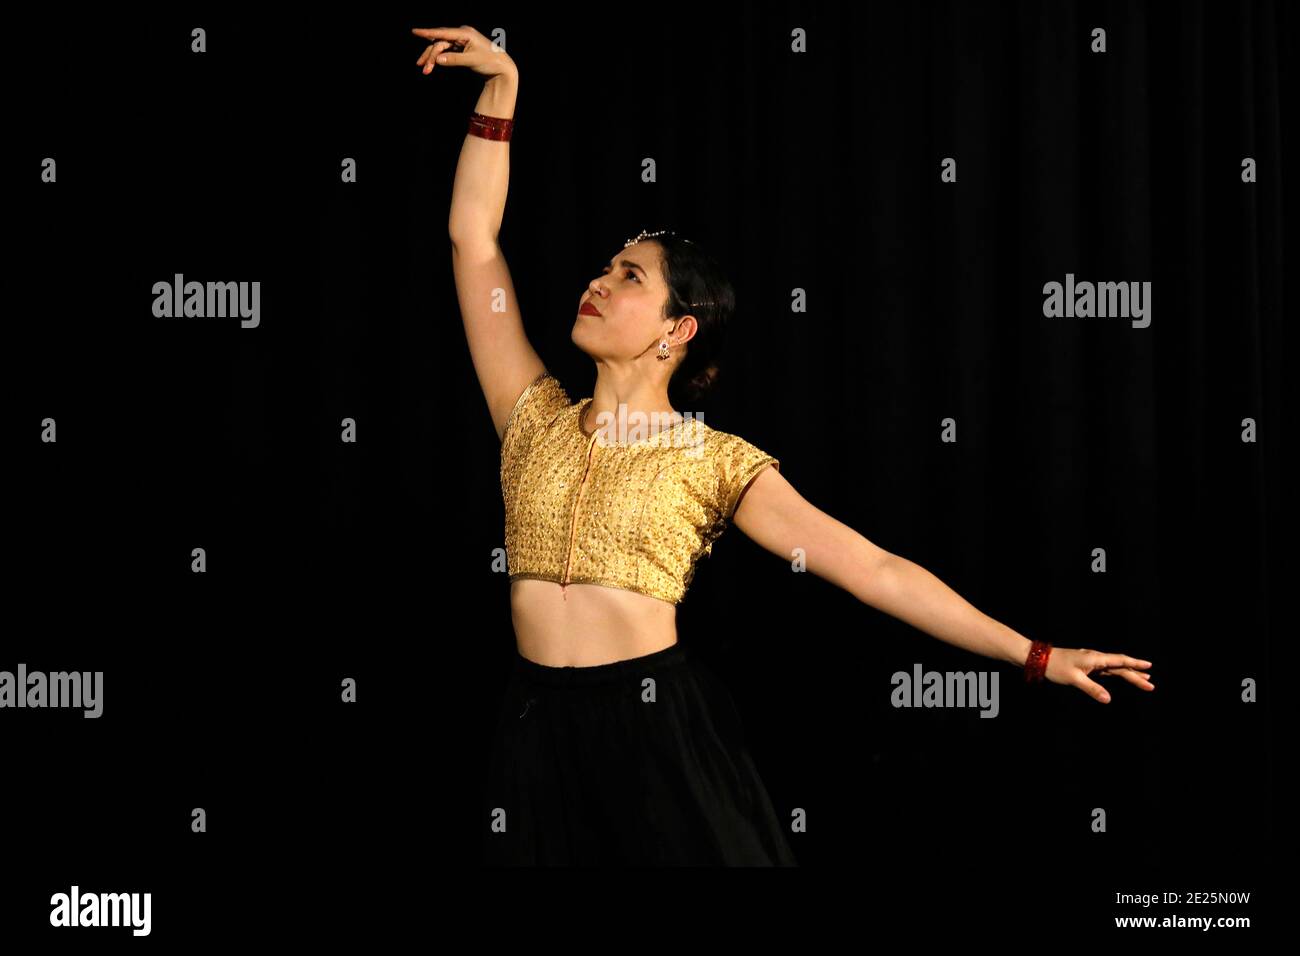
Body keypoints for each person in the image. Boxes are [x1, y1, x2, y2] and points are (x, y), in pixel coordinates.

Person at [414, 24, 1156, 867]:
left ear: (677, 330)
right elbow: (473, 238)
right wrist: (503, 85)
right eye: (604, 267)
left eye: (631, 278)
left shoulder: (717, 461)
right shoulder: (532, 416)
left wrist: (1035, 655)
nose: (598, 282)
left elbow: (872, 568)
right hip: (533, 730)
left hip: (654, 731)